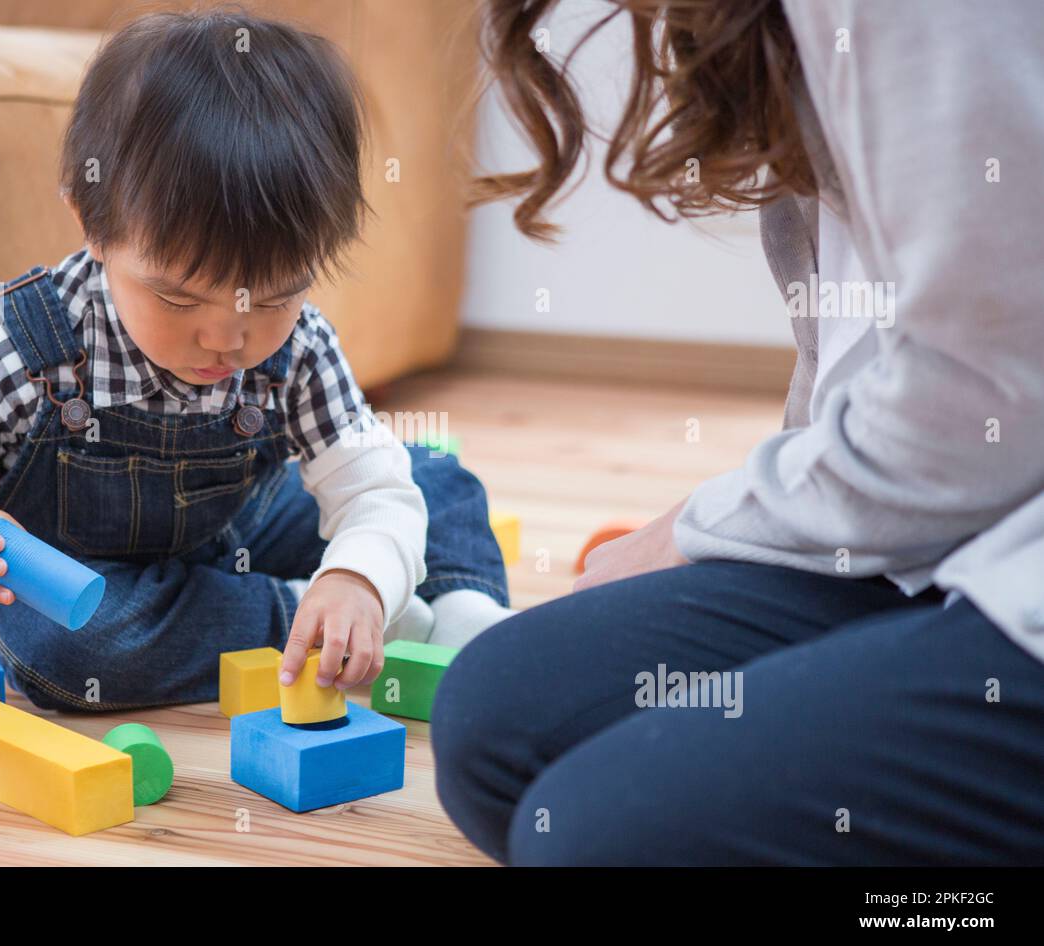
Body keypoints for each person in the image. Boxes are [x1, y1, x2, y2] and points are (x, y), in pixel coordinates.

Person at [433, 0, 1044, 864]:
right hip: (956, 522)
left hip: (1014, 532)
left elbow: (990, 400)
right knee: (498, 720)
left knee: (593, 840)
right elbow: (868, 365)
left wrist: (699, 531)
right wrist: (751, 520)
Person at [0, 10, 512, 713]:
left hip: (237, 531)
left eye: (275, 298)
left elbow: (374, 490)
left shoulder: (300, 348)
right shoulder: (22, 343)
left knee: (434, 479)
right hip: (87, 582)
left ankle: (472, 626)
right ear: (91, 223)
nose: (227, 340)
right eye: (177, 299)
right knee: (62, 649)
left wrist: (357, 576)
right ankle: (310, 620)